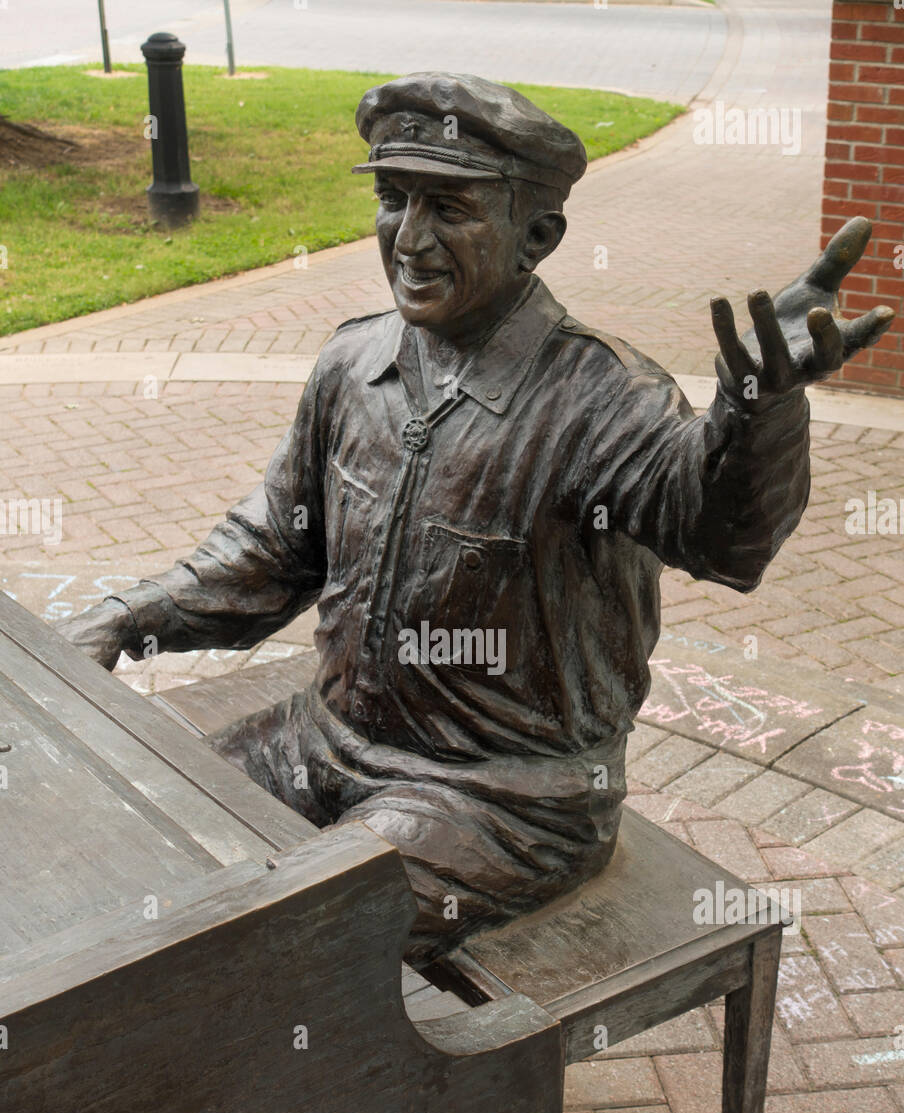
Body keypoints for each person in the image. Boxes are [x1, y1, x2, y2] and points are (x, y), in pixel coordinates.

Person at [58, 73, 895, 967]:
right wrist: (128, 615)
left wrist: (757, 417)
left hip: (506, 800)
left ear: (538, 235)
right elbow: (273, 546)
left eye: (448, 209)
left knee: (276, 936)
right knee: (152, 835)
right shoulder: (352, 364)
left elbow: (724, 537)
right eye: (393, 199)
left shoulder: (604, 400)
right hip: (327, 738)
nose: (408, 240)